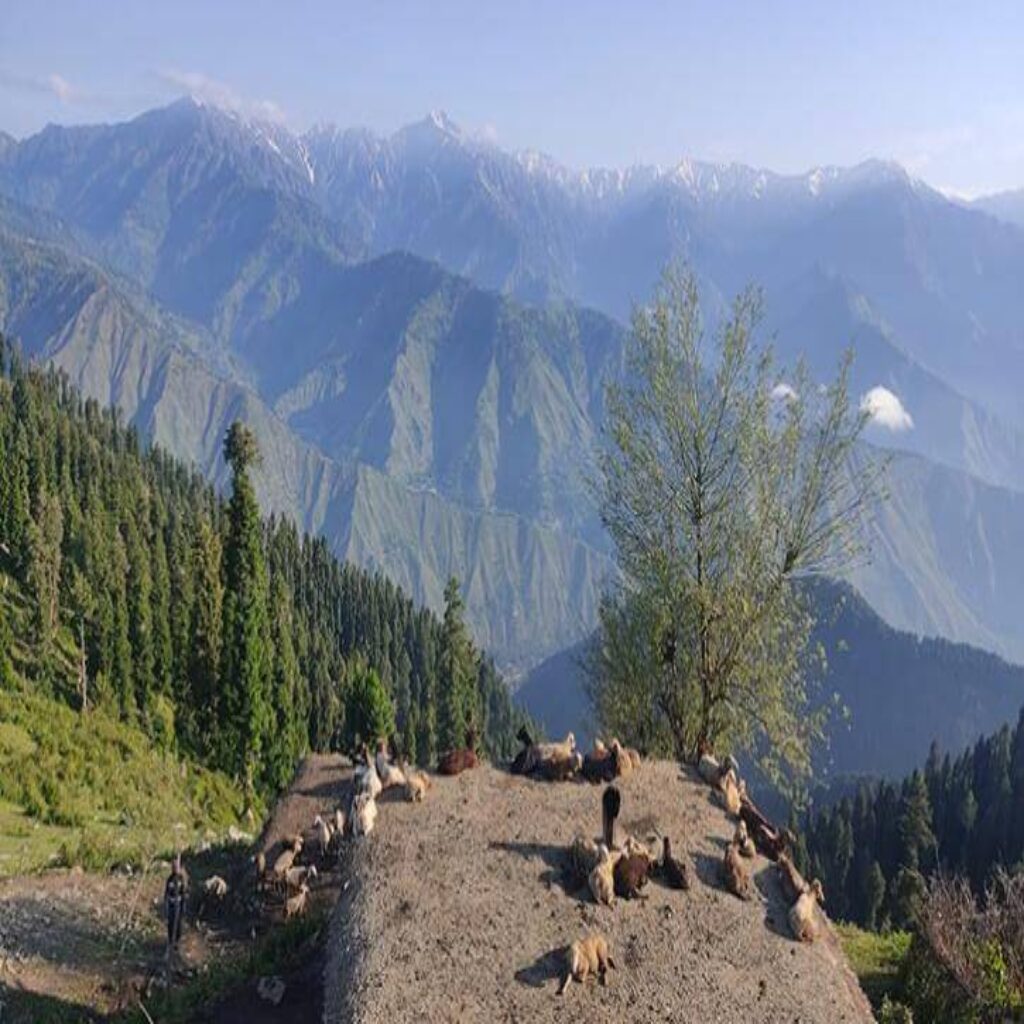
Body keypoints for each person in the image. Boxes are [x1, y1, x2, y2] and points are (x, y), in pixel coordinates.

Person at [164, 852, 188, 964]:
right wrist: (166, 907)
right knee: (170, 924)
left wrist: (183, 907)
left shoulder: (181, 879)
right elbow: (166, 894)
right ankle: (170, 943)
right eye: (173, 867)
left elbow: (184, 894)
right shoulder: (169, 879)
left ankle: (177, 944)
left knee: (178, 925)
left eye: (176, 866)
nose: (175, 868)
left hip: (179, 905)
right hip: (172, 905)